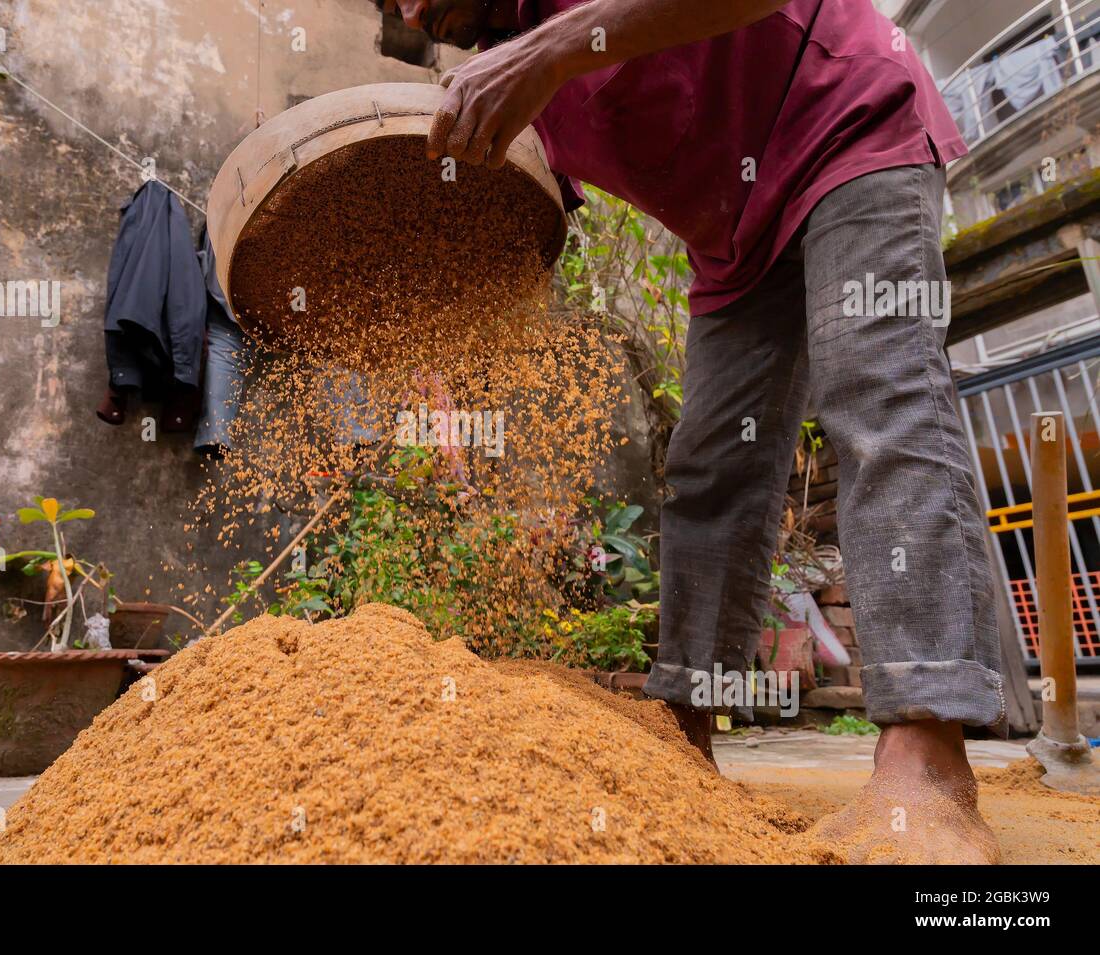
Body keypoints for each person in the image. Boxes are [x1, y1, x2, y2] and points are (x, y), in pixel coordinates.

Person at [379, 0, 1004, 864]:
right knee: (711, 470)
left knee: (877, 388)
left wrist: (551, 50)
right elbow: (514, 222)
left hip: (846, 126)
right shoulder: (506, 80)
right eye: (390, 3)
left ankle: (929, 764)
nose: (413, 9)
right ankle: (683, 734)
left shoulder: (531, 52)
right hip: (734, 243)